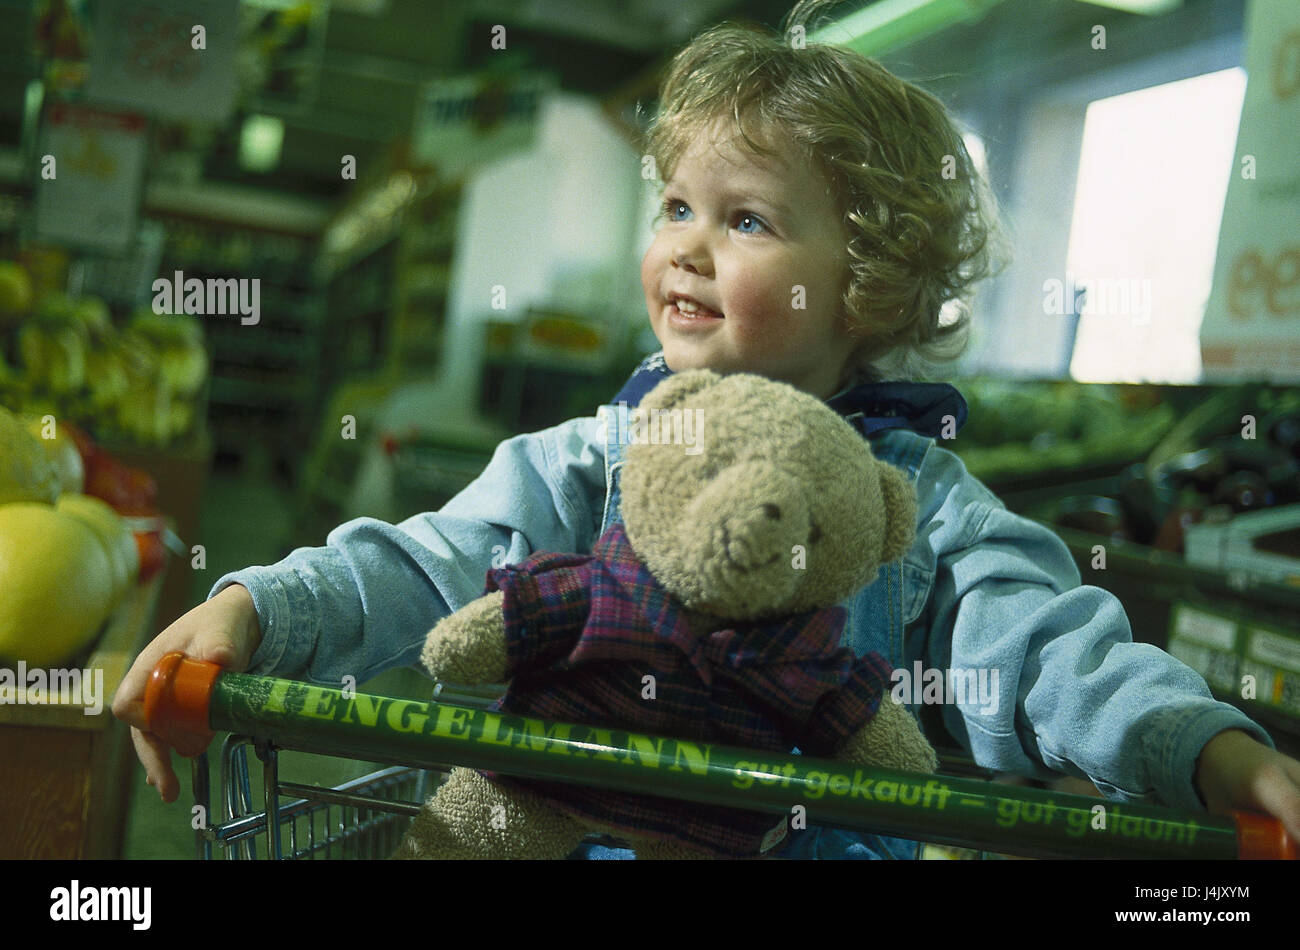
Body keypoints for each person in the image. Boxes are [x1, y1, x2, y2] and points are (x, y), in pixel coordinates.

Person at [113, 1, 1300, 859]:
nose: (684, 242)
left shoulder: (923, 502)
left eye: (745, 218)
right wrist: (262, 607)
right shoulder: (596, 455)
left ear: (867, 284)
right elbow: (428, 557)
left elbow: (1044, 648)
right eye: (675, 204)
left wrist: (1203, 747)